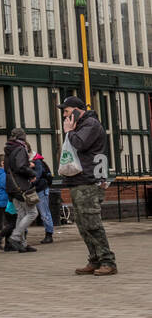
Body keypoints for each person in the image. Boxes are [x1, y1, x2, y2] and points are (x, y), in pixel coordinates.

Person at [60, 96, 117, 276]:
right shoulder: (81, 126)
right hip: (79, 180)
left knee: (92, 222)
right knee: (82, 223)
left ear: (78, 110)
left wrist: (69, 131)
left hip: (88, 180)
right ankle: (95, 259)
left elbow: (79, 144)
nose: (64, 115)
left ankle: (108, 261)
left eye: (67, 111)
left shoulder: (90, 124)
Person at [3, 129, 39, 252]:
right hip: (21, 186)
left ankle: (22, 244)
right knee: (32, 213)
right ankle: (15, 237)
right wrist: (31, 173)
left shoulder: (9, 149)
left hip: (11, 185)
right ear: (23, 137)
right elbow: (21, 167)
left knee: (21, 214)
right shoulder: (20, 148)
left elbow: (7, 168)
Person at [32, 151, 54, 244]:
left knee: (44, 213)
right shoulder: (34, 161)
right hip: (36, 189)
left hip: (41, 190)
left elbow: (37, 176)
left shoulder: (37, 162)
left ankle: (49, 234)